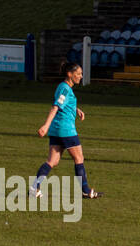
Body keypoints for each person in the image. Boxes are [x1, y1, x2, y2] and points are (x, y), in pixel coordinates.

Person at [32, 61, 100, 200]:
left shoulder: (63, 87)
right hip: (66, 130)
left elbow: (63, 103)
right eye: (78, 74)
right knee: (79, 158)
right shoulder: (65, 89)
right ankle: (86, 191)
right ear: (70, 74)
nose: (81, 76)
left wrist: (76, 109)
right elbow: (55, 107)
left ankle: (34, 188)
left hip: (56, 130)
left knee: (52, 161)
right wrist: (45, 125)